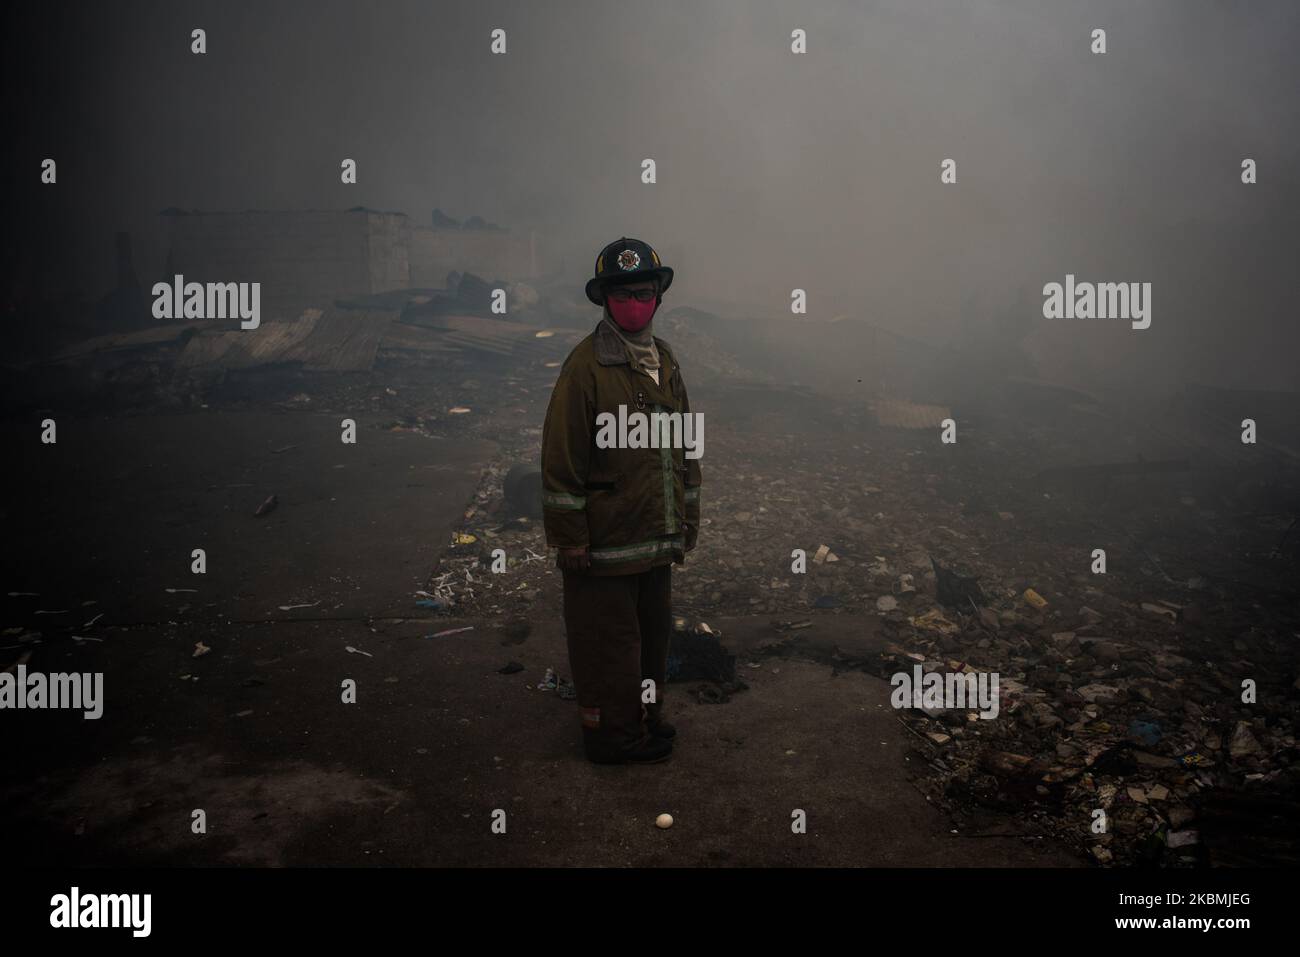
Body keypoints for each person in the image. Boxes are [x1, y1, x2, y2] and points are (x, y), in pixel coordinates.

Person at [541, 237, 702, 765]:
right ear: (604, 300)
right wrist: (570, 538)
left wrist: (687, 518)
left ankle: (647, 720)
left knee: (652, 643)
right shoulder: (585, 368)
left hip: (654, 536)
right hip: (606, 543)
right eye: (622, 294)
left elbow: (684, 449)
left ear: (658, 296)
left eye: (644, 292)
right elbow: (562, 457)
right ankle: (613, 739)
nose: (634, 303)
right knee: (609, 647)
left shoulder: (666, 361)